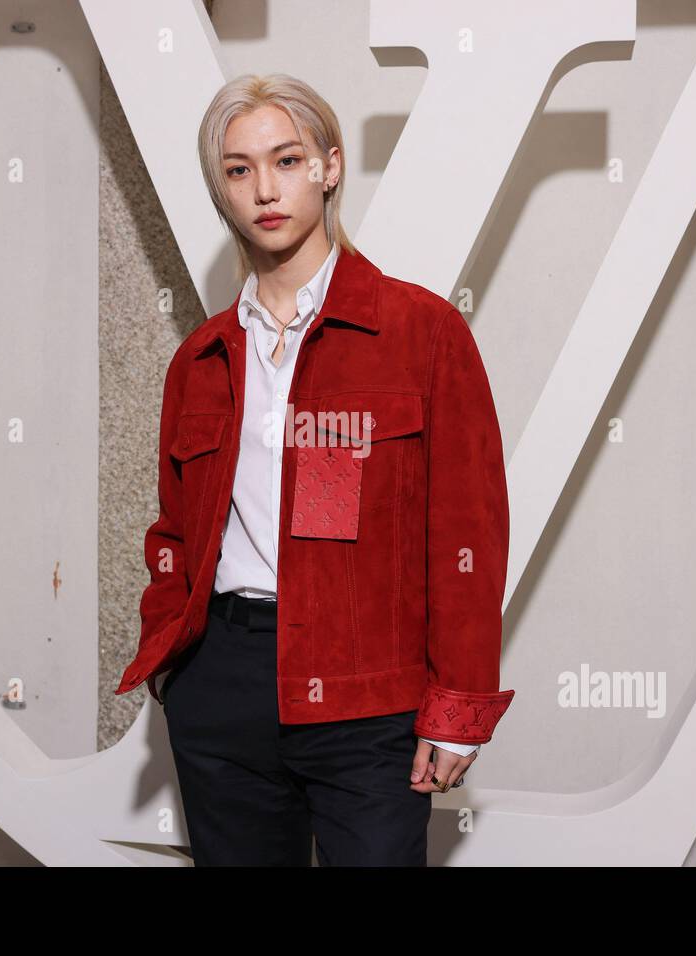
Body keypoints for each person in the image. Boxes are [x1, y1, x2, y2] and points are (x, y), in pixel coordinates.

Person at [115, 73, 515, 866]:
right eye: (238, 169)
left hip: (369, 693)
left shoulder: (419, 331)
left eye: (287, 160)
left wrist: (456, 708)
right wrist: (174, 664)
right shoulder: (198, 360)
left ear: (329, 168)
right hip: (223, 686)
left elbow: (469, 534)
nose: (265, 188)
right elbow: (173, 530)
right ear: (222, 192)